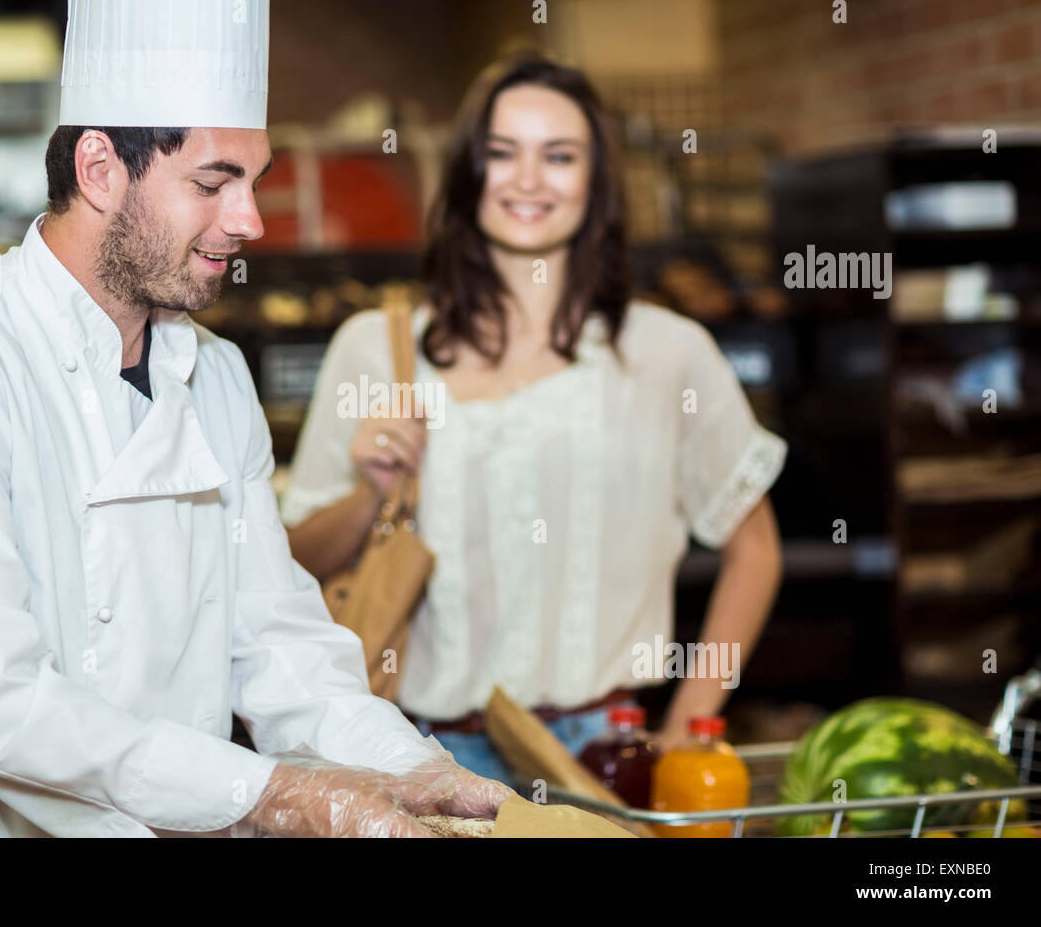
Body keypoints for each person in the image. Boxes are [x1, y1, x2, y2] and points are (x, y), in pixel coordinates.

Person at [0, 0, 509, 838]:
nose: (250, 219)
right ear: (99, 168)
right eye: (214, 183)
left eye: (255, 180)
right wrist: (277, 795)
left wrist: (417, 772)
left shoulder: (215, 377)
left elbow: (276, 641)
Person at [282, 53, 787, 786]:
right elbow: (293, 568)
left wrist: (687, 727)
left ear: (597, 182)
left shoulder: (664, 353)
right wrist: (370, 494)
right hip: (414, 759)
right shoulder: (376, 348)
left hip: (598, 761)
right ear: (467, 175)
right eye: (501, 153)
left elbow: (756, 549)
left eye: (559, 156)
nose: (527, 179)